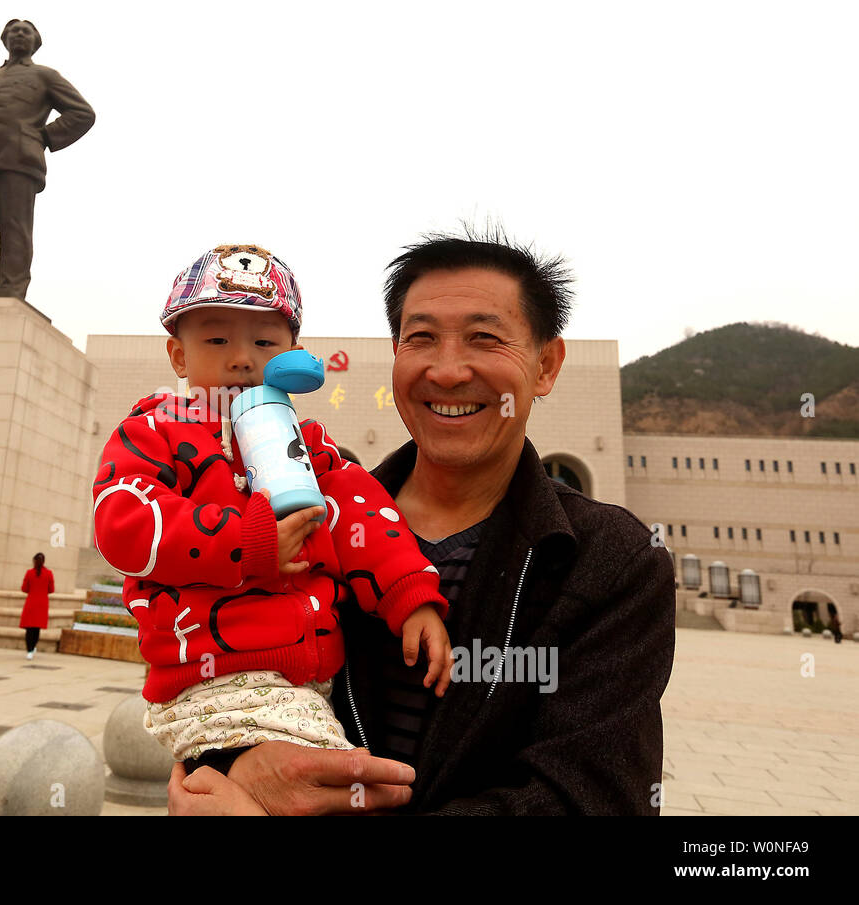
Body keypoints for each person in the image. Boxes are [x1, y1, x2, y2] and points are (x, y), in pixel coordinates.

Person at [166, 229, 677, 815]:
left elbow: (593, 800)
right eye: (422, 339)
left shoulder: (611, 560)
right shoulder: (305, 517)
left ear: (546, 364)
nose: (448, 370)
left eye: (484, 338)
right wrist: (225, 769)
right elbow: (209, 666)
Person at [92, 244, 452, 776]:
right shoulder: (155, 431)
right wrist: (247, 543)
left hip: (310, 679)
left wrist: (410, 594)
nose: (243, 357)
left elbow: (361, 512)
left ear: (292, 353)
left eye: (264, 341)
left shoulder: (308, 444)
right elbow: (124, 523)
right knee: (337, 785)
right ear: (179, 356)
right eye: (217, 339)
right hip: (212, 679)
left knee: (334, 784)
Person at [0, 18, 95, 298]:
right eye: (13, 31)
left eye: (26, 31)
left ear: (35, 42)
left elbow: (83, 113)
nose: (19, 34)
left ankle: (11, 291)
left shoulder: (45, 76)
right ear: (4, 40)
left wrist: (42, 137)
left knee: (14, 228)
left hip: (19, 161)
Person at [20, 552, 53, 660]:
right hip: (42, 603)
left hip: (31, 602)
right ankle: (33, 647)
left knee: (29, 628)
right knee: (36, 628)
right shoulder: (48, 573)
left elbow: (24, 588)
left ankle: (29, 649)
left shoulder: (29, 573)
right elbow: (51, 589)